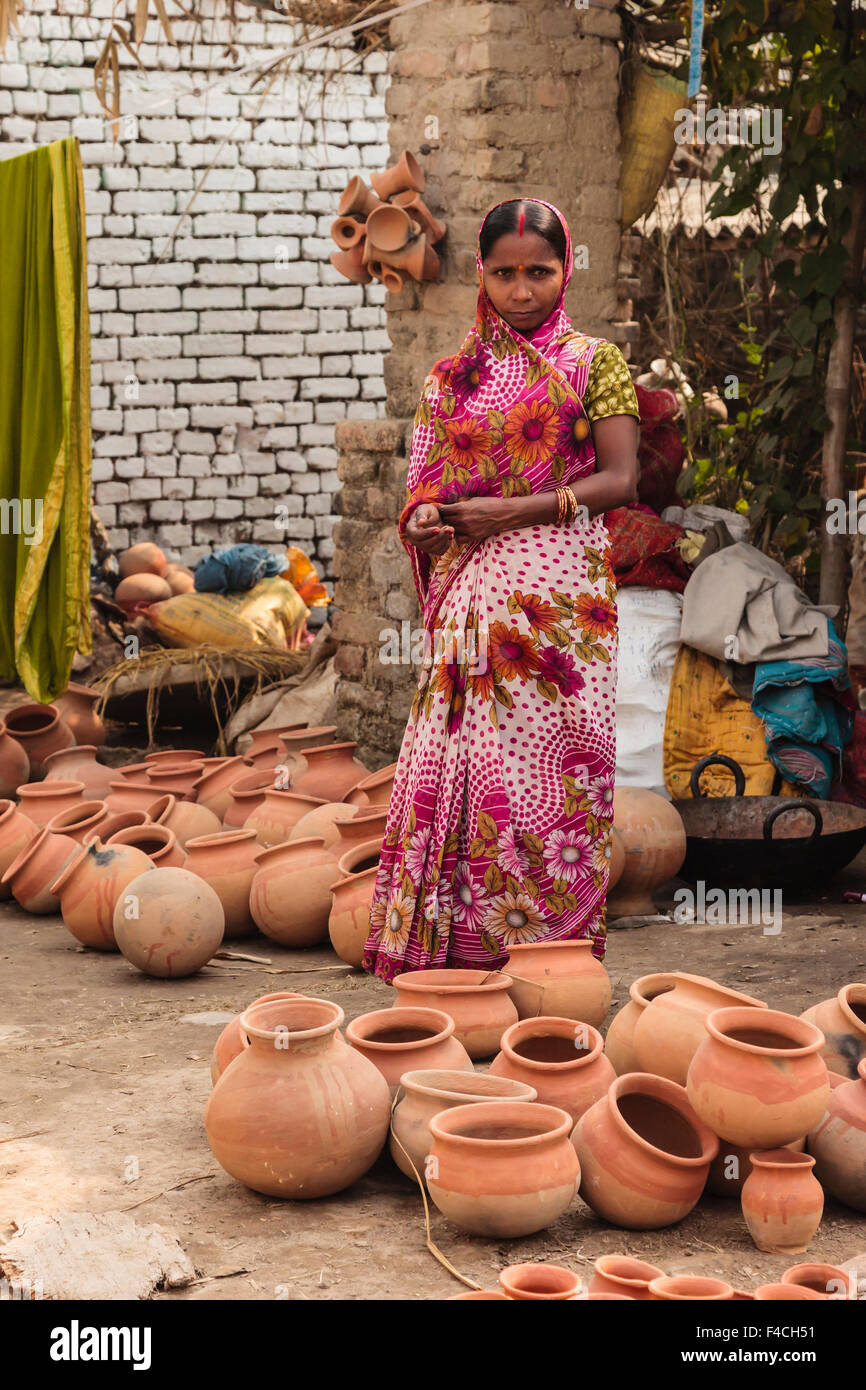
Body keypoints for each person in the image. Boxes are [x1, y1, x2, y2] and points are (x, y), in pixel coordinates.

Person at [361, 197, 640, 983]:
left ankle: (552, 965)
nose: (523, 290)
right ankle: (463, 957)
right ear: (482, 273)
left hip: (559, 607)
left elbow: (622, 479)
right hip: (471, 598)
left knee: (549, 781)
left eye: (541, 273)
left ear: (565, 271)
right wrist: (420, 524)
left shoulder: (594, 363)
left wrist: (510, 512)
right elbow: (420, 492)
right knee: (473, 772)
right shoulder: (452, 377)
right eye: (507, 273)